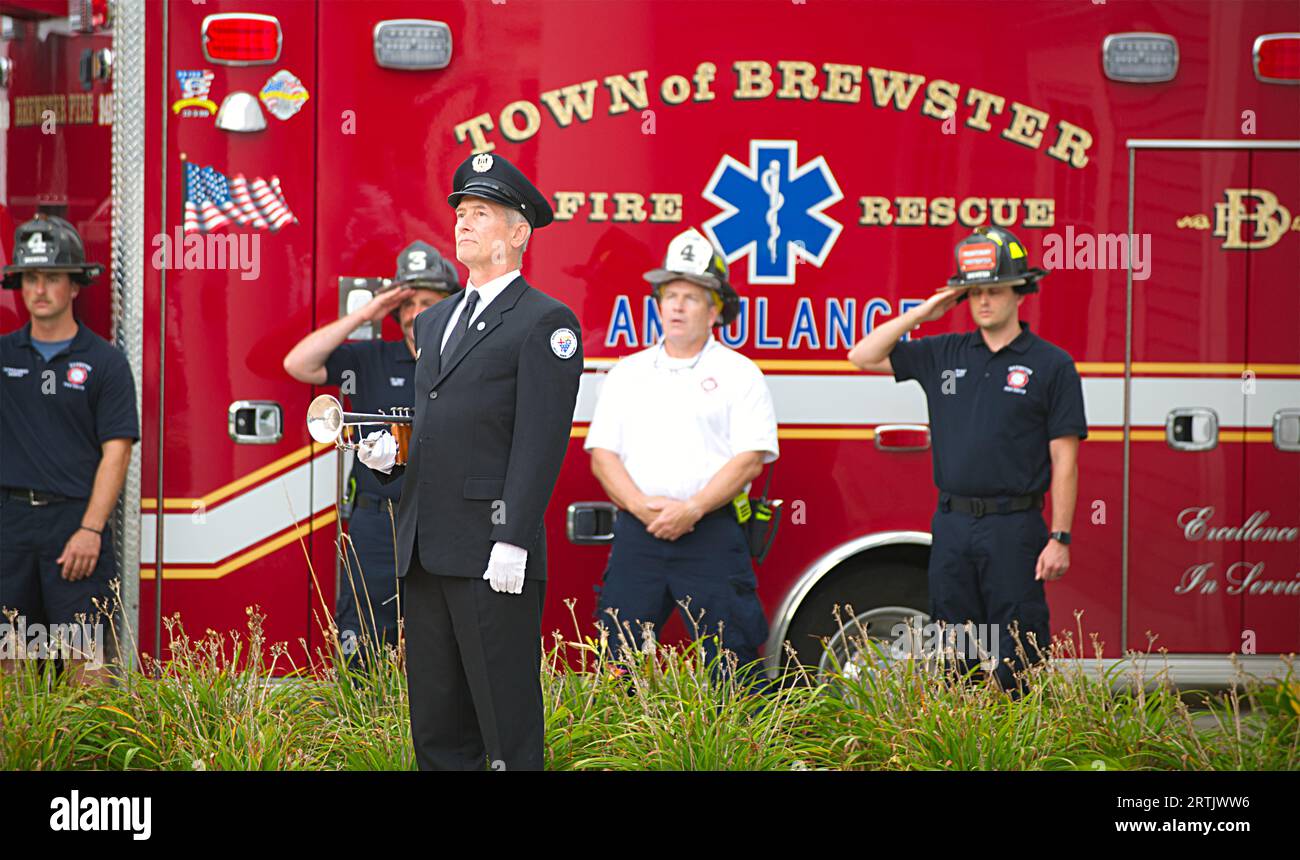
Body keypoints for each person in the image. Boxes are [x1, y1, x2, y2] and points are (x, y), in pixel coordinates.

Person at [358, 152, 582, 770]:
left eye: (482, 213)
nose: (464, 222)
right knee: (436, 728)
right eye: (461, 211)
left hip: (491, 553)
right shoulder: (433, 322)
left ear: (518, 233)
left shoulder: (545, 322)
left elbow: (540, 440)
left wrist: (512, 541)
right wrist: (390, 458)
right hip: (426, 548)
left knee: (504, 725)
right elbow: (437, 427)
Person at [847, 225, 1085, 696]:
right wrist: (931, 309)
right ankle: (964, 742)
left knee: (1021, 648)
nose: (983, 302)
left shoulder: (1052, 365)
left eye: (994, 290)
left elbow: (1065, 459)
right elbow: (862, 355)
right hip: (953, 523)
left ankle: (1020, 741)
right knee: (956, 648)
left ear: (1020, 292)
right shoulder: (943, 352)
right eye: (974, 292)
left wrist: (1059, 537)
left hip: (1015, 526)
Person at [584, 228, 778, 686]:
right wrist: (639, 507)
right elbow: (603, 456)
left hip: (710, 534)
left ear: (715, 310)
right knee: (618, 661)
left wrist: (691, 508)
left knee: (733, 668)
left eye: (691, 297)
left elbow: (750, 459)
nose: (676, 306)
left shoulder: (738, 374)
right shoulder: (627, 373)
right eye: (669, 295)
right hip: (640, 534)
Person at [283, 241, 458, 668]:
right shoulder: (369, 359)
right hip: (377, 521)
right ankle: (363, 721)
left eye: (429, 303)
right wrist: (364, 315)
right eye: (409, 303)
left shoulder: (464, 363)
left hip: (444, 518)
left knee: (442, 637)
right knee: (363, 636)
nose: (417, 313)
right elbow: (298, 364)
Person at [0, 214, 140, 685]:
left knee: (85, 664)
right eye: (31, 278)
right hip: (10, 526)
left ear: (75, 285)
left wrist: (90, 529)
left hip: (74, 529)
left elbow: (116, 453)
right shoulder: (3, 357)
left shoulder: (105, 362)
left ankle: (86, 758)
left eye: (53, 278)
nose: (40, 289)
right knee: (10, 659)